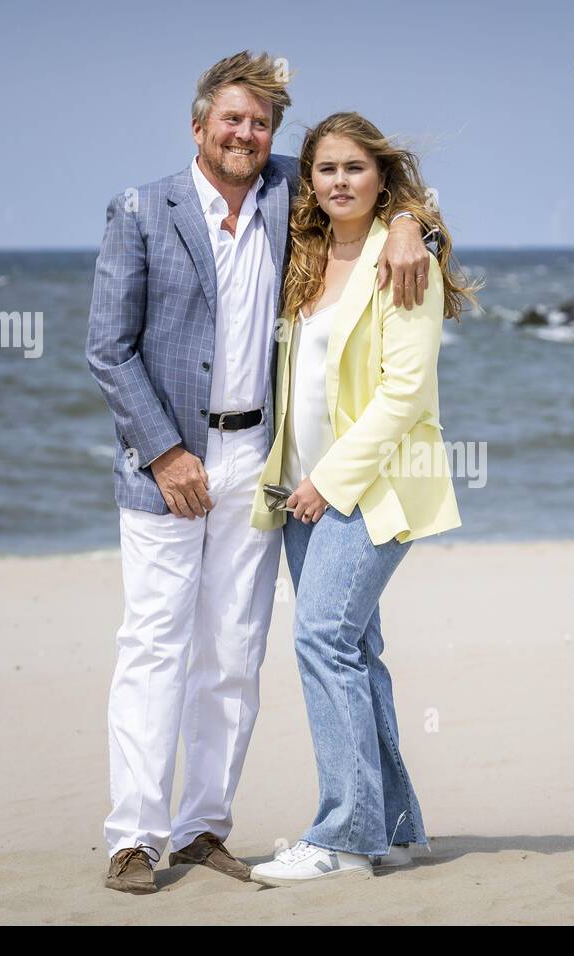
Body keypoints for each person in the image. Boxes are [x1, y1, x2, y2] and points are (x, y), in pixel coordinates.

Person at [86, 53, 437, 895]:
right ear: (200, 123)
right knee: (154, 646)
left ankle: (204, 825)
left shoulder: (289, 192)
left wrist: (410, 222)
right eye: (233, 120)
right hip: (167, 462)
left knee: (236, 652)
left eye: (262, 124)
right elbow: (108, 347)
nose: (247, 135)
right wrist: (165, 453)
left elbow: (374, 184)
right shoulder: (141, 210)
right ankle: (132, 838)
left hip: (259, 463)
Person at [247, 112, 479, 887]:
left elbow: (406, 393)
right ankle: (399, 825)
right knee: (355, 652)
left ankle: (345, 838)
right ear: (308, 181)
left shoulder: (404, 259)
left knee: (321, 641)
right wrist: (299, 482)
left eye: (355, 167)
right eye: (325, 169)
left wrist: (415, 223)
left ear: (382, 175)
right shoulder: (307, 254)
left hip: (366, 491)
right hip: (302, 490)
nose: (339, 181)